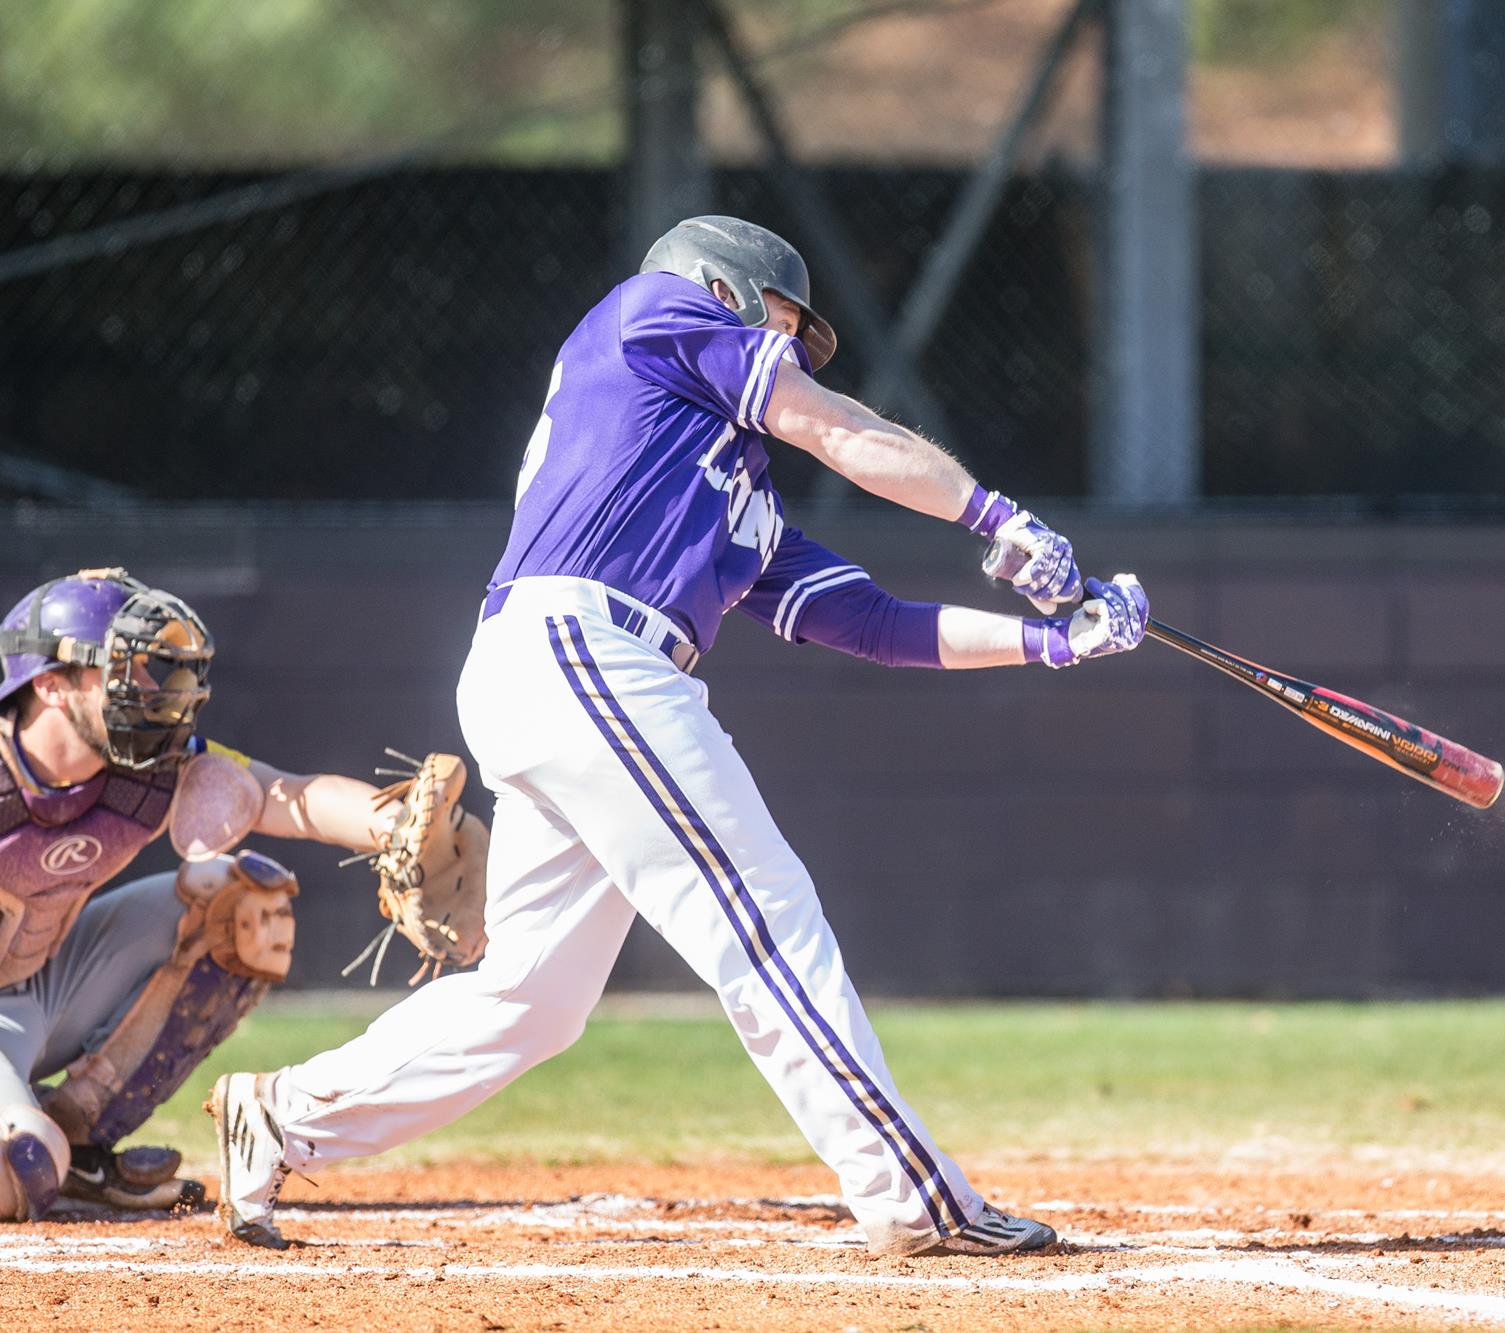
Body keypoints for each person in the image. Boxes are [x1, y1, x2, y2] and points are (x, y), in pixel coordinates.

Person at [208, 215, 1148, 1255]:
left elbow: (876, 623)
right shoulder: (649, 313)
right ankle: (911, 1197)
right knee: (767, 919)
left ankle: (287, 1110)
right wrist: (996, 518)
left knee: (534, 1000)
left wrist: (1055, 642)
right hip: (582, 648)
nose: (786, 347)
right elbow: (828, 422)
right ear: (724, 293)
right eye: (780, 321)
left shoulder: (728, 488)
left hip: (567, 676)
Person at [0, 568, 457, 1219]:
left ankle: (77, 1140)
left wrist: (400, 829)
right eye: (125, 672)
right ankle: (42, 1144)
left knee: (246, 909)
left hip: (39, 985)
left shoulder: (147, 767)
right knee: (18, 1163)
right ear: (49, 682)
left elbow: (290, 798)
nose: (152, 693)